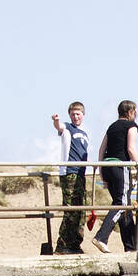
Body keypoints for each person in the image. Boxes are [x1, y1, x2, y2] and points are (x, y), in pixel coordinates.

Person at [91, 100, 138, 253]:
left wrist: (101, 171)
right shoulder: (131, 126)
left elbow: (101, 149)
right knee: (122, 203)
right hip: (120, 166)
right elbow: (131, 148)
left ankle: (131, 247)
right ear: (130, 112)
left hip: (107, 166)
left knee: (125, 206)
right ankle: (101, 237)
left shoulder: (111, 127)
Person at [51, 101, 90, 253]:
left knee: (81, 211)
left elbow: (83, 153)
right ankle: (62, 244)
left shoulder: (85, 135)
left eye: (78, 113)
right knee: (71, 209)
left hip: (81, 174)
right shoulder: (67, 127)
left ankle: (75, 244)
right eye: (73, 114)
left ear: (83, 115)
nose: (75, 116)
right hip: (69, 172)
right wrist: (56, 120)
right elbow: (59, 127)